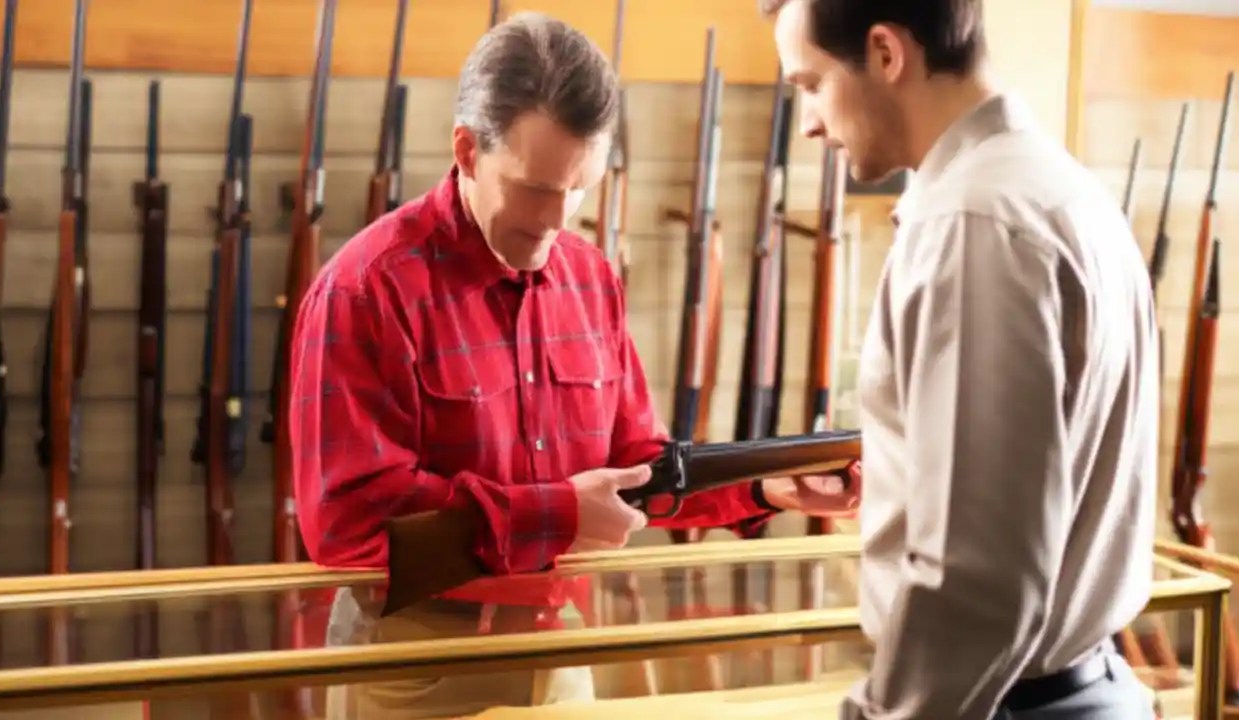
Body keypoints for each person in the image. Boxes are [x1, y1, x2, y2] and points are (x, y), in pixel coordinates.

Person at [289, 11, 860, 719]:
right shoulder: (366, 289)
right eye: (534, 189)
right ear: (466, 151)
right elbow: (346, 525)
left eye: (579, 187)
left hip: (562, 650)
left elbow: (635, 465)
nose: (558, 221)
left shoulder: (589, 277)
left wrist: (768, 491)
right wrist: (557, 513)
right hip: (414, 664)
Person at [761, 1, 1160, 718]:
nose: (812, 122)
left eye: (813, 84)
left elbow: (973, 579)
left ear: (886, 53)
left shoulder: (973, 219)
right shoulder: (1051, 185)